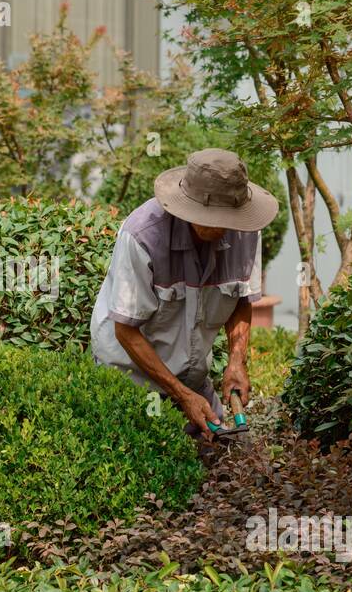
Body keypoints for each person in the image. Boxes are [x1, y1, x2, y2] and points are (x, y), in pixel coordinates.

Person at [89, 148, 277, 436]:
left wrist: (237, 360)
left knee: (226, 456)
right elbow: (126, 331)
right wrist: (182, 396)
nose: (222, 227)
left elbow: (241, 299)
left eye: (229, 218)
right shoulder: (142, 236)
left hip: (191, 375)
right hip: (130, 376)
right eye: (212, 217)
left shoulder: (246, 232)